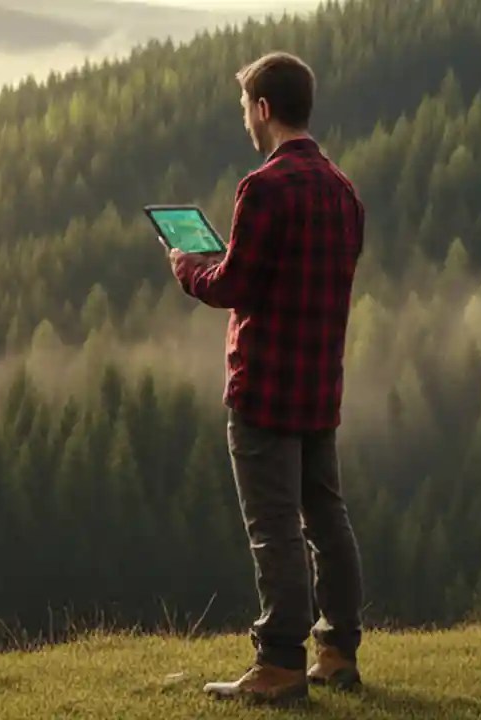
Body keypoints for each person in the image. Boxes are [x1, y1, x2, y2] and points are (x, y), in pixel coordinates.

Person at [168, 51, 366, 704]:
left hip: (264, 389)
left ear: (262, 109)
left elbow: (233, 286)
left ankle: (280, 662)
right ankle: (337, 651)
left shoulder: (263, 188)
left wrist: (187, 265)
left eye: (244, 112)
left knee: (273, 528)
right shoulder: (344, 192)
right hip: (319, 387)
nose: (245, 126)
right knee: (326, 520)